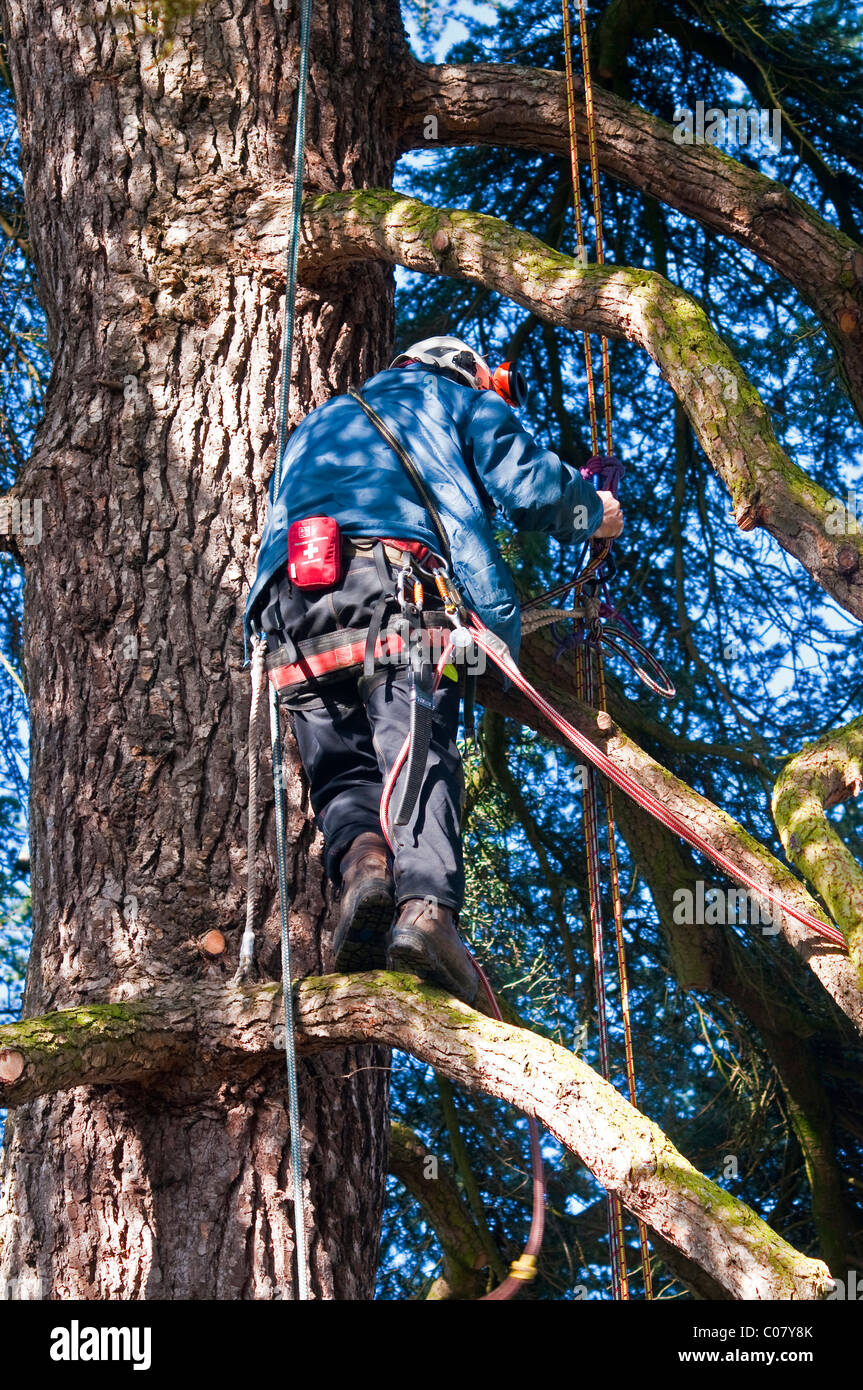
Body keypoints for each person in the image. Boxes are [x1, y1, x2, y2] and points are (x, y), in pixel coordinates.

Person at [244, 337, 623, 1006]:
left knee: (344, 771)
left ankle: (365, 873)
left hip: (290, 606)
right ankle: (425, 917)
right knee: (417, 754)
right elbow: (532, 491)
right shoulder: (455, 398)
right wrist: (593, 514)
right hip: (388, 579)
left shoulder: (320, 419)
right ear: (467, 372)